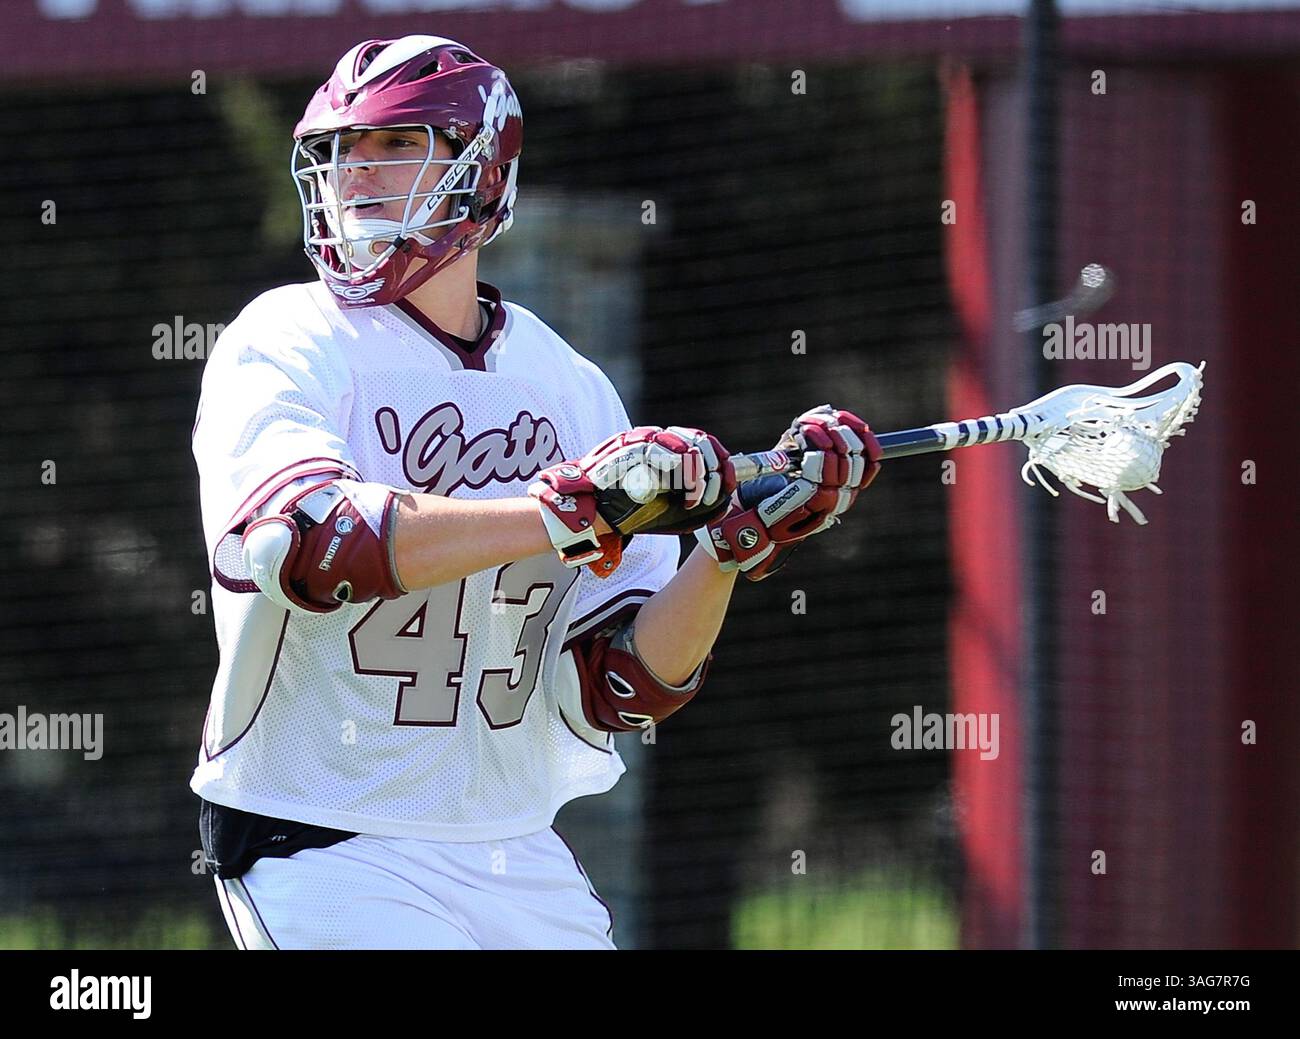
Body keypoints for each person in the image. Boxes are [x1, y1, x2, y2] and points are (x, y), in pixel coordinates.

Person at [190, 33, 881, 949]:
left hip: (512, 845)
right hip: (324, 833)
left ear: (481, 172)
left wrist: (724, 552)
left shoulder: (566, 381)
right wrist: (563, 512)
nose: (357, 173)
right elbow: (306, 546)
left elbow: (620, 684)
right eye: (343, 149)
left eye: (396, 145)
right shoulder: (284, 337)